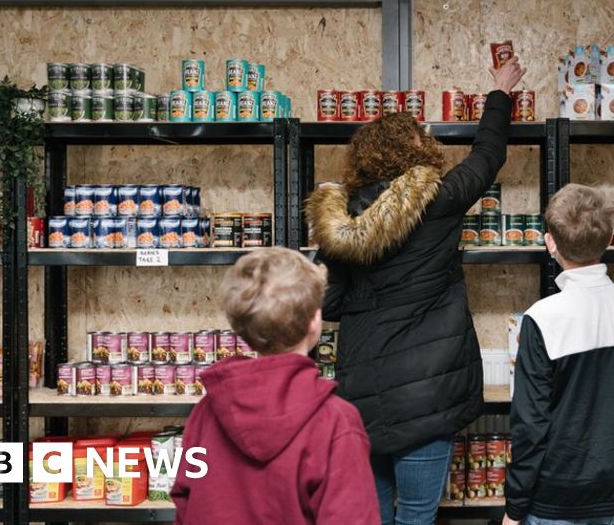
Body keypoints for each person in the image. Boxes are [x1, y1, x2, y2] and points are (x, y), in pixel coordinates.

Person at [305, 57, 527, 524]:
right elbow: (487, 155)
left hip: (363, 393)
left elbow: (328, 303)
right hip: (430, 391)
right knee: (419, 516)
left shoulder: (340, 219)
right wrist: (500, 92)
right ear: (415, 150)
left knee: (375, 516)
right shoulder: (439, 199)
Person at [170, 248, 379, 525]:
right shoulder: (335, 422)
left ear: (242, 327)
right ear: (315, 321)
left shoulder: (206, 413)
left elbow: (186, 501)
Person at [503, 184, 614, 525]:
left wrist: (515, 506)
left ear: (550, 243)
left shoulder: (541, 318)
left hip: (554, 499)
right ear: (608, 240)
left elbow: (530, 424)